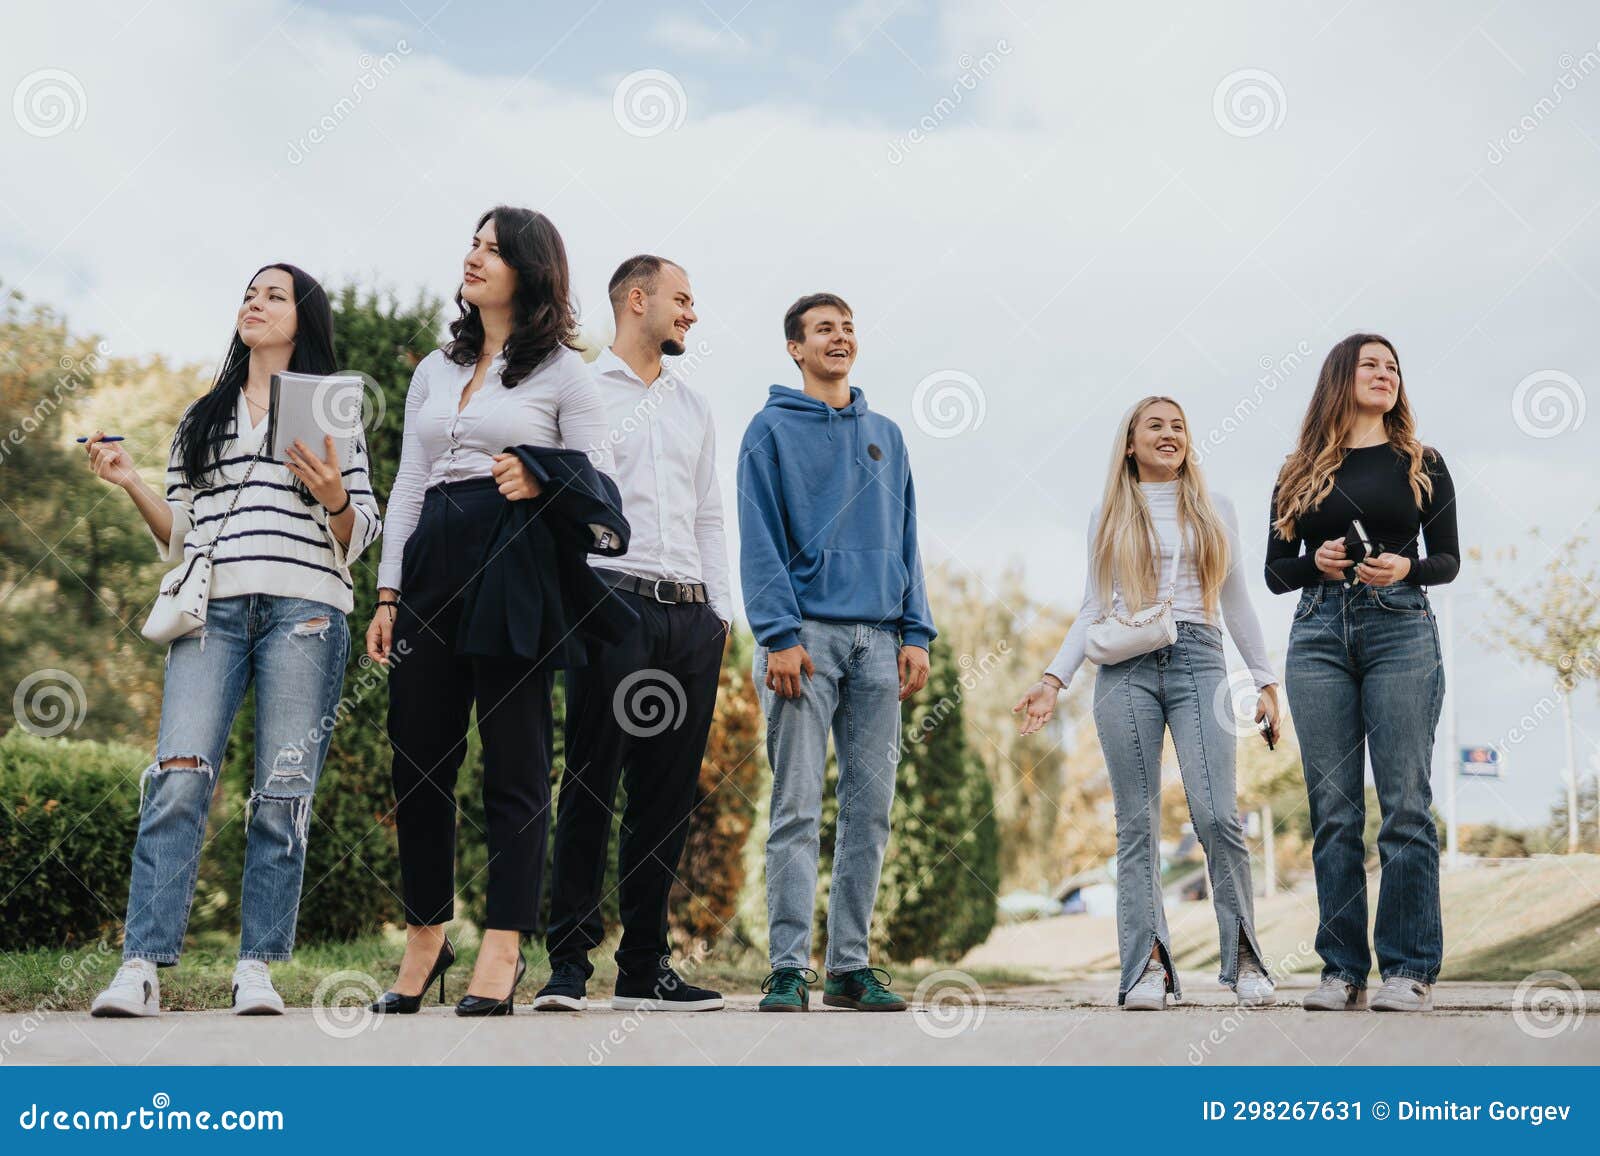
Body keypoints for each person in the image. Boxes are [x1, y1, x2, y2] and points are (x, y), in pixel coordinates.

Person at [85, 264, 381, 1017]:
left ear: (303, 319)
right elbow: (181, 533)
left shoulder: (332, 408)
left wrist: (334, 496)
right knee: (178, 776)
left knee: (283, 792)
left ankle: (257, 969)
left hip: (306, 612)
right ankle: (141, 966)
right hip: (211, 612)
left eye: (274, 295)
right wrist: (130, 481)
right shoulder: (203, 415)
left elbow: (362, 529)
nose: (255, 302)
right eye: (250, 293)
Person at [367, 206, 615, 1017]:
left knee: (514, 764)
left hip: (513, 561)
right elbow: (409, 481)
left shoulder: (565, 373)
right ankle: (426, 936)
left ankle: (505, 944)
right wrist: (388, 591)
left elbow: (602, 483)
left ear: (531, 271)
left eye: (494, 250)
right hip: (431, 559)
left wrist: (541, 473)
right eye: (472, 244)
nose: (474, 257)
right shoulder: (435, 368)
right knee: (417, 760)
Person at [1015, 396, 1281, 1010]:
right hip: (1125, 668)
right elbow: (1092, 605)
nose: (1169, 434)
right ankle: (1146, 968)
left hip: (1200, 659)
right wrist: (1053, 679)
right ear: (1130, 444)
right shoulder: (1107, 513)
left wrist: (1265, 679)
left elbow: (1237, 600)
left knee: (1217, 815)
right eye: (1155, 426)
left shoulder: (1216, 508)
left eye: (1178, 426)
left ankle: (1244, 959)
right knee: (1136, 826)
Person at [533, 255, 729, 1014]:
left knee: (665, 799)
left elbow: (708, 514)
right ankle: (569, 965)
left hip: (690, 619)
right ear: (637, 300)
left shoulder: (694, 405)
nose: (693, 313)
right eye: (683, 299)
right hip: (612, 605)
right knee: (590, 784)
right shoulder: (581, 393)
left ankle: (644, 968)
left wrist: (719, 616)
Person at [737, 292, 934, 1013]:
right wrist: (778, 636)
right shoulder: (768, 430)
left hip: (879, 641)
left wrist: (916, 632)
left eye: (848, 327)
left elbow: (908, 535)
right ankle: (789, 969)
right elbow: (757, 535)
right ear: (796, 347)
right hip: (805, 643)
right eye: (824, 328)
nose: (840, 337)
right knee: (796, 808)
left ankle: (850, 967)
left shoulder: (887, 433)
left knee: (870, 810)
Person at [1266, 333, 1458, 1013]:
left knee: (1404, 803)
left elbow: (1447, 561)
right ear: (1340, 378)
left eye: (1393, 366)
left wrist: (1406, 566)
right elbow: (1275, 573)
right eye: (1371, 364)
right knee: (1334, 812)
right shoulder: (1298, 470)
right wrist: (1314, 563)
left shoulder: (1423, 463)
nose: (1386, 374)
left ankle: (1408, 969)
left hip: (1401, 629)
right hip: (1318, 634)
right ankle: (1341, 970)